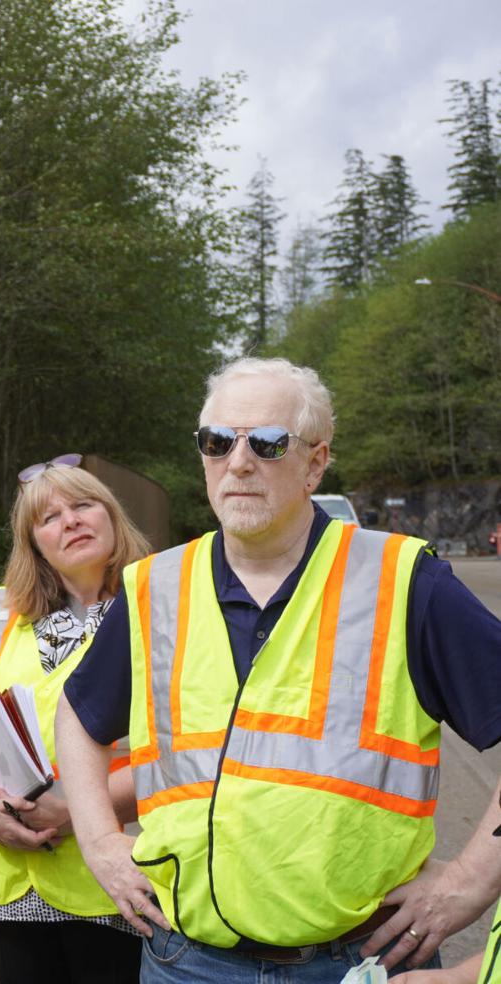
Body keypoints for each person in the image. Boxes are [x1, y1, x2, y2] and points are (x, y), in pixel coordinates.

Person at [54, 357, 501, 983]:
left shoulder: (403, 582)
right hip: (187, 962)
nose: (238, 464)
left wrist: (472, 882)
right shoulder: (155, 586)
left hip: (359, 962)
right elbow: (78, 715)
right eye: (217, 443)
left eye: (267, 444)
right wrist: (99, 841)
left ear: (315, 462)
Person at [0, 455, 150, 983]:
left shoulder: (159, 610)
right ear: (33, 542)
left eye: (83, 505)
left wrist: (75, 808)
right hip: (11, 879)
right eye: (49, 517)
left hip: (117, 875)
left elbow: (186, 751)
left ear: (111, 516)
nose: (71, 521)